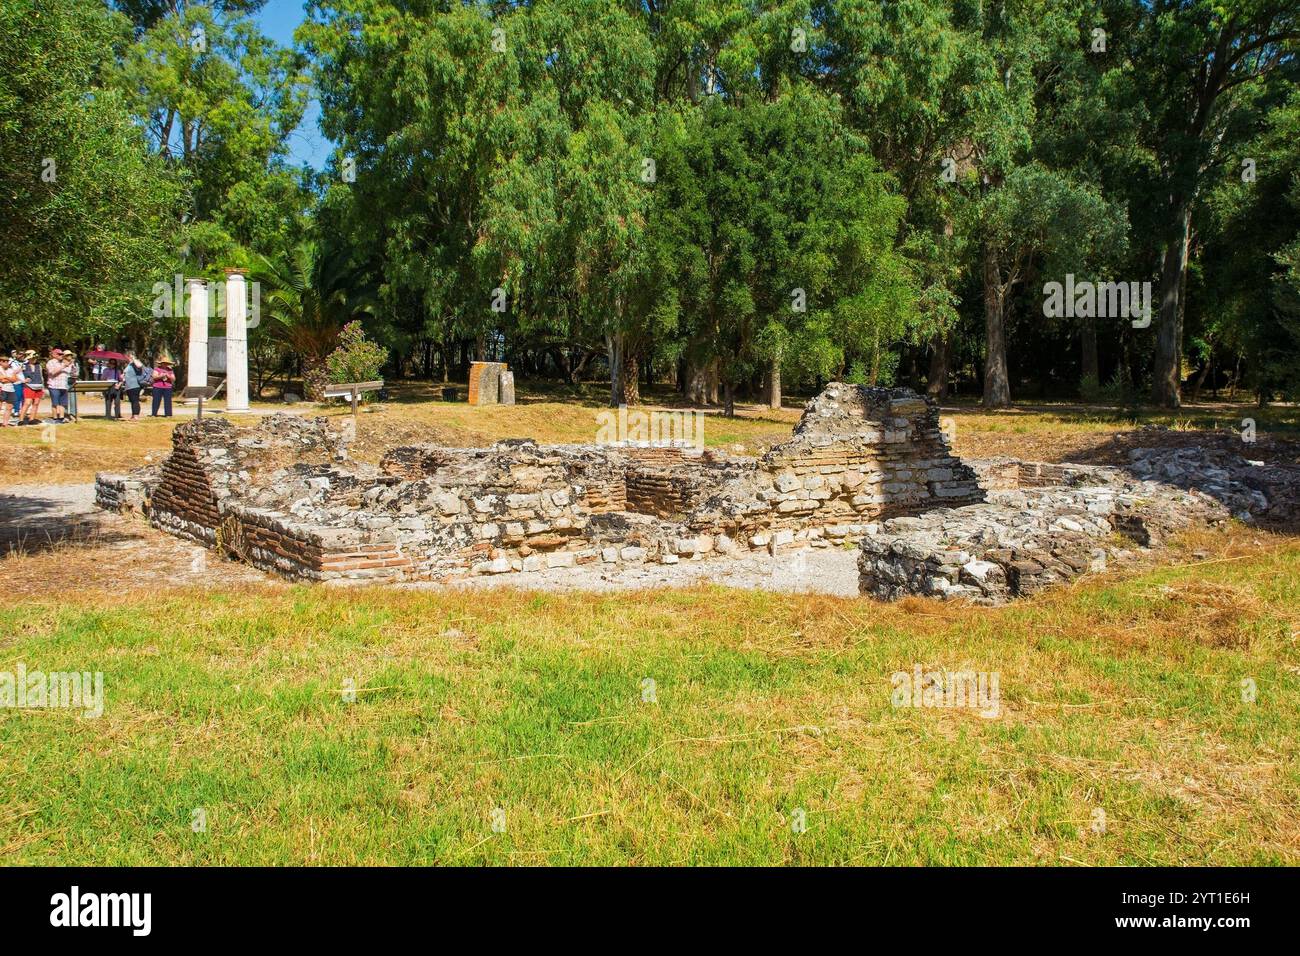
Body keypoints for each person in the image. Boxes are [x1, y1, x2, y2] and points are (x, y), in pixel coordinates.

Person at [45, 348, 71, 424]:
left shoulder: (64, 362)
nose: (61, 356)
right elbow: (52, 372)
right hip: (54, 386)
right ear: (54, 355)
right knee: (55, 403)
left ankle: (61, 418)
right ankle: (55, 418)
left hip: (63, 385)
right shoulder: (50, 362)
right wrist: (63, 366)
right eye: (59, 354)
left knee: (63, 403)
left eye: (62, 354)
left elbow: (69, 373)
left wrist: (70, 365)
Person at [20, 350, 45, 425]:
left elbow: (41, 376)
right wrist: (23, 380)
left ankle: (32, 419)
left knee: (36, 403)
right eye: (33, 358)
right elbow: (17, 373)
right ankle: (21, 419)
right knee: (27, 403)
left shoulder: (39, 366)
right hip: (28, 386)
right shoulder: (24, 365)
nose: (35, 359)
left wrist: (43, 388)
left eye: (35, 358)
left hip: (38, 385)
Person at [121, 352, 147, 422]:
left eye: (126, 356)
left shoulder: (135, 362)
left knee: (135, 400)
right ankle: (133, 415)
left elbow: (140, 366)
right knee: (132, 401)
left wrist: (133, 358)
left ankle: (136, 416)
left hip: (135, 385)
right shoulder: (129, 365)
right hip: (129, 386)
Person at [0, 351, 21, 427]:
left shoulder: (11, 369)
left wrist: (6, 377)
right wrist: (10, 378)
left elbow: (15, 379)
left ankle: (5, 423)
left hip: (11, 389)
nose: (6, 362)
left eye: (7, 361)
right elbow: (1, 379)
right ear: (0, 362)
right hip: (2, 388)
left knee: (10, 407)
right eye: (4, 361)